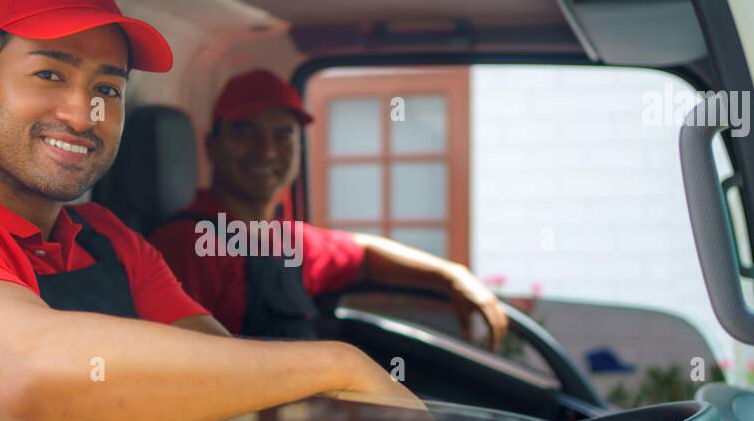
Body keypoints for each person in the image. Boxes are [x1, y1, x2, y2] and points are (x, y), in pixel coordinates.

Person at [0, 0, 430, 421]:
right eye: (49, 74)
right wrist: (335, 365)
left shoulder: (109, 238)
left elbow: (227, 381)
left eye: (108, 90)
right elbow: (21, 374)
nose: (82, 113)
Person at [148, 69, 509, 346]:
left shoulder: (284, 240)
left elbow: (363, 255)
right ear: (212, 147)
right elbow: (181, 369)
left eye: (283, 135)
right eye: (246, 133)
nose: (267, 151)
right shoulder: (186, 246)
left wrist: (452, 276)